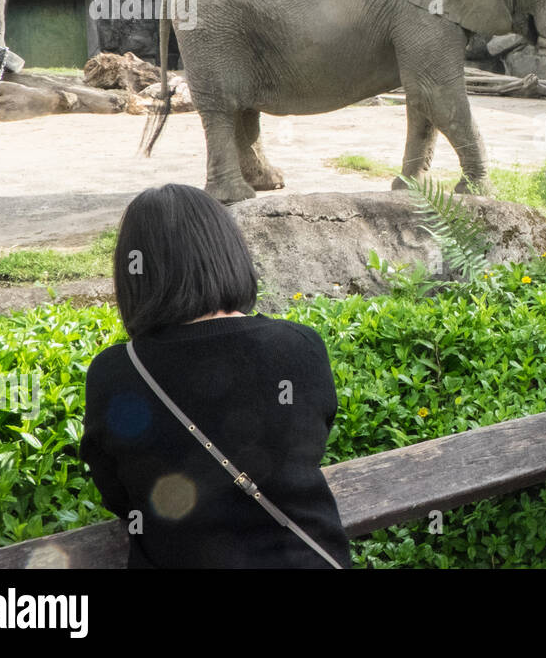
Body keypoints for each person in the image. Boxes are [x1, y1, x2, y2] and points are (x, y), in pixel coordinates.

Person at [80, 184, 352, 568]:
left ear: (134, 274)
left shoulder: (115, 373)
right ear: (229, 254)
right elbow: (308, 443)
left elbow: (118, 495)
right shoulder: (298, 346)